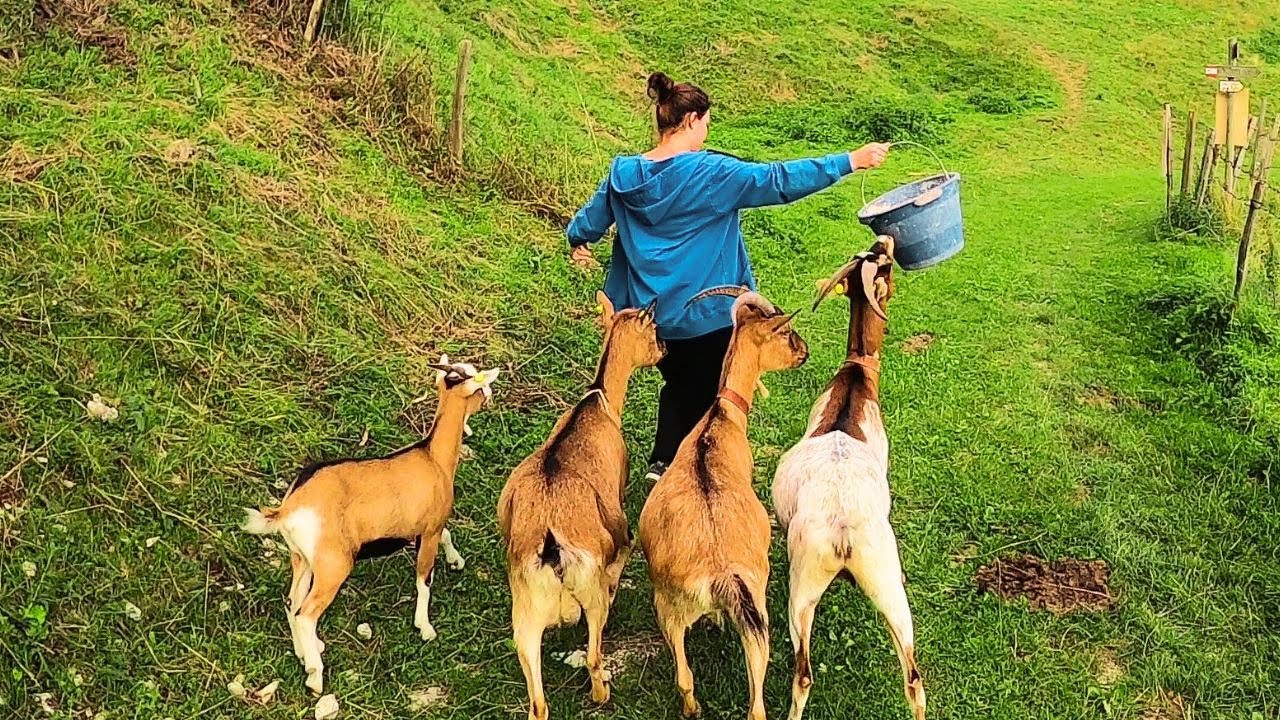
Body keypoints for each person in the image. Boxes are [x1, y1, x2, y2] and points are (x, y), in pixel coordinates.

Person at [566, 71, 890, 481]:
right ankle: (689, 473)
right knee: (709, 393)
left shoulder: (624, 174)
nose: (706, 130)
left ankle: (663, 459)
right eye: (706, 122)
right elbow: (779, 181)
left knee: (681, 381)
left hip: (649, 317)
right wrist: (850, 161)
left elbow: (589, 221)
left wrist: (579, 240)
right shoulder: (713, 174)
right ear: (692, 121)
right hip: (706, 315)